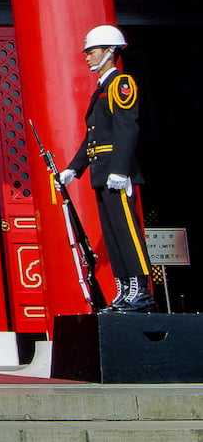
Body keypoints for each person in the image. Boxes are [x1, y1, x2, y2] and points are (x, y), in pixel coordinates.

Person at [58, 24, 155, 313]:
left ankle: (141, 291)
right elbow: (93, 136)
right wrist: (74, 169)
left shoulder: (120, 84)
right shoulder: (102, 88)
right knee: (113, 235)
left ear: (110, 52)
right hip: (102, 172)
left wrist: (121, 170)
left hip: (116, 173)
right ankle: (124, 289)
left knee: (127, 232)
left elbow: (127, 130)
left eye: (92, 51)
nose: (87, 56)